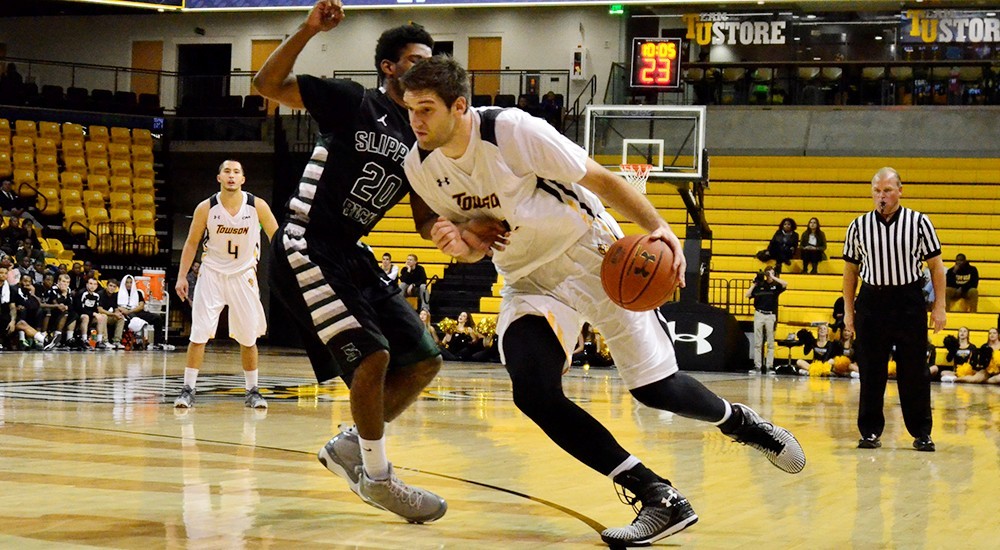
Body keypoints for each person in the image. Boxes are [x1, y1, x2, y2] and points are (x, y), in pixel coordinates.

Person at [400, 55, 805, 546]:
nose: (415, 121)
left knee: (656, 389)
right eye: (409, 110)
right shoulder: (420, 165)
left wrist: (659, 229)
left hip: (592, 257)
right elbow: (469, 249)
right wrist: (462, 241)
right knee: (533, 393)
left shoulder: (511, 131)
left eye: (425, 109)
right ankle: (657, 495)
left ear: (458, 106)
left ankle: (743, 424)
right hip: (528, 278)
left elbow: (602, 179)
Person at [252, 0, 446, 524]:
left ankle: (348, 447)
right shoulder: (352, 102)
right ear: (389, 67)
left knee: (425, 358)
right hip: (306, 243)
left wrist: (455, 231)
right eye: (414, 60)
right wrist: (308, 28)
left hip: (352, 253)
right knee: (373, 357)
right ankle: (377, 478)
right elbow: (266, 83)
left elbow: (425, 217)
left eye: (431, 61)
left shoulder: (421, 138)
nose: (424, 68)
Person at [843, 167, 945, 452]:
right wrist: (849, 313)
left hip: (908, 301)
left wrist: (939, 306)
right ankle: (870, 431)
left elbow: (936, 267)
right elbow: (850, 271)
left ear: (900, 191)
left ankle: (921, 432)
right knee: (871, 370)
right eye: (877, 191)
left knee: (914, 370)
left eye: (887, 190)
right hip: (872, 302)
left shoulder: (919, 222)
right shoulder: (858, 225)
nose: (882, 196)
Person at [173, 160, 279, 410]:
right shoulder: (206, 208)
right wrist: (181, 276)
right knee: (199, 334)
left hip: (244, 275)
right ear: (218, 177)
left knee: (248, 337)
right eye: (227, 171)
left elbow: (277, 237)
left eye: (236, 172)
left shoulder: (257, 206)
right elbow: (191, 243)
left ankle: (252, 390)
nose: (231, 176)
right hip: (211, 274)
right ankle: (188, 388)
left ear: (243, 179)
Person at [744, 266, 787, 373]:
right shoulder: (759, 286)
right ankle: (757, 366)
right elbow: (747, 295)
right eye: (768, 274)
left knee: (770, 342)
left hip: (770, 315)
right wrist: (754, 284)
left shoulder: (775, 287)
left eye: (771, 273)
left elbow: (785, 284)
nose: (769, 276)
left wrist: (773, 276)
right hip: (759, 314)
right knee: (758, 342)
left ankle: (769, 366)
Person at [75, 276, 111, 349]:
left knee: (103, 316)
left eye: (94, 284)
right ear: (87, 284)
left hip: (91, 316)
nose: (92, 286)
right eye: (90, 283)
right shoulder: (82, 293)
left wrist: (97, 314)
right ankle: (84, 340)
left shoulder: (96, 295)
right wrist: (93, 314)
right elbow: (79, 308)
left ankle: (99, 341)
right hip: (79, 316)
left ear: (97, 286)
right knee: (86, 317)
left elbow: (96, 309)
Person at [98, 278, 125, 349]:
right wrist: (113, 314)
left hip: (108, 316)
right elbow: (100, 310)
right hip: (97, 317)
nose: (112, 288)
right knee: (104, 316)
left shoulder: (114, 296)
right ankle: (104, 341)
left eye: (114, 287)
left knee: (121, 318)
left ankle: (116, 341)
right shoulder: (100, 294)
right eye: (110, 285)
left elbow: (115, 308)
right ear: (106, 285)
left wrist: (118, 313)